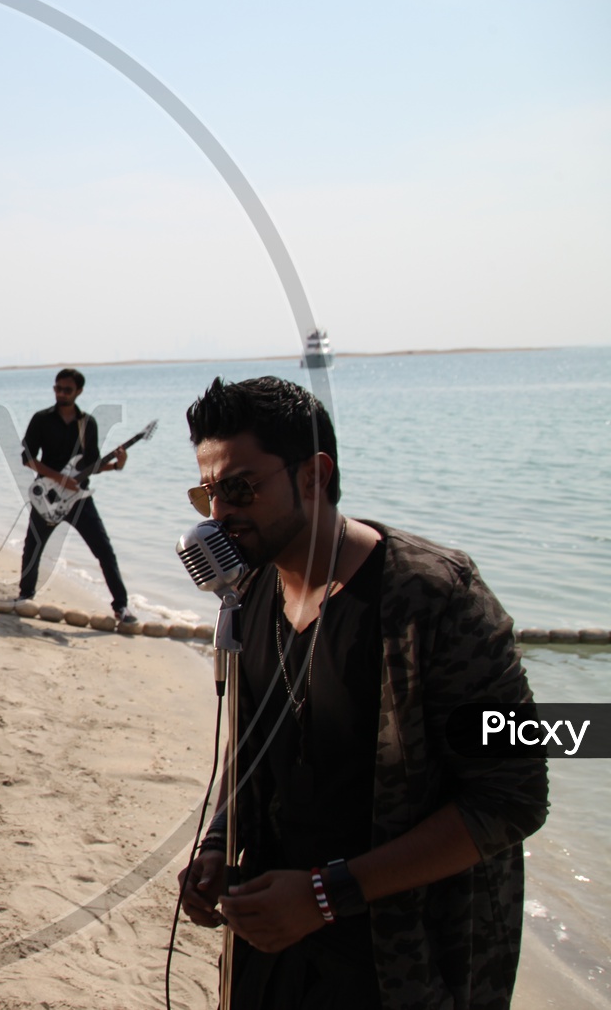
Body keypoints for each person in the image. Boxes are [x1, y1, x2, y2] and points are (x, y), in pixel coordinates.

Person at [176, 376, 547, 1009]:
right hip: (272, 957)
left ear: (314, 475)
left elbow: (513, 797)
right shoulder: (251, 594)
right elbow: (260, 750)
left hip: (403, 967)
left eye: (239, 487)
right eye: (206, 493)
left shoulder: (436, 600)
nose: (219, 516)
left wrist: (326, 894)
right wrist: (217, 843)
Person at [17, 367, 135, 622]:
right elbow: (27, 458)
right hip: (47, 495)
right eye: (57, 388)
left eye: (67, 390)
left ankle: (121, 607)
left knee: (104, 550)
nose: (61, 393)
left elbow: (90, 463)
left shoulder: (87, 423)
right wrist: (60, 479)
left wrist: (116, 465)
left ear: (79, 391)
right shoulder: (41, 419)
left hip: (79, 499)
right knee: (33, 548)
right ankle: (25, 596)